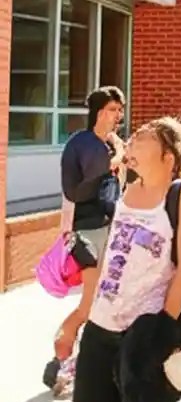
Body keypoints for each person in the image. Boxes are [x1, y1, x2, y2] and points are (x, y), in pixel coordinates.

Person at [69, 117, 181, 402]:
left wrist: (161, 334)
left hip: (143, 338)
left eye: (142, 138)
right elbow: (110, 254)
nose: (131, 141)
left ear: (167, 156)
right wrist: (83, 314)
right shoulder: (128, 189)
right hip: (100, 329)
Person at [54, 86, 128, 375]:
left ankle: (80, 363)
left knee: (101, 301)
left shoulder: (102, 143)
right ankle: (59, 364)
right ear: (98, 112)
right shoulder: (87, 144)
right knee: (91, 304)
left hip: (104, 227)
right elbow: (102, 169)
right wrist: (120, 150)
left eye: (120, 110)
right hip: (87, 231)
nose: (117, 116)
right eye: (112, 110)